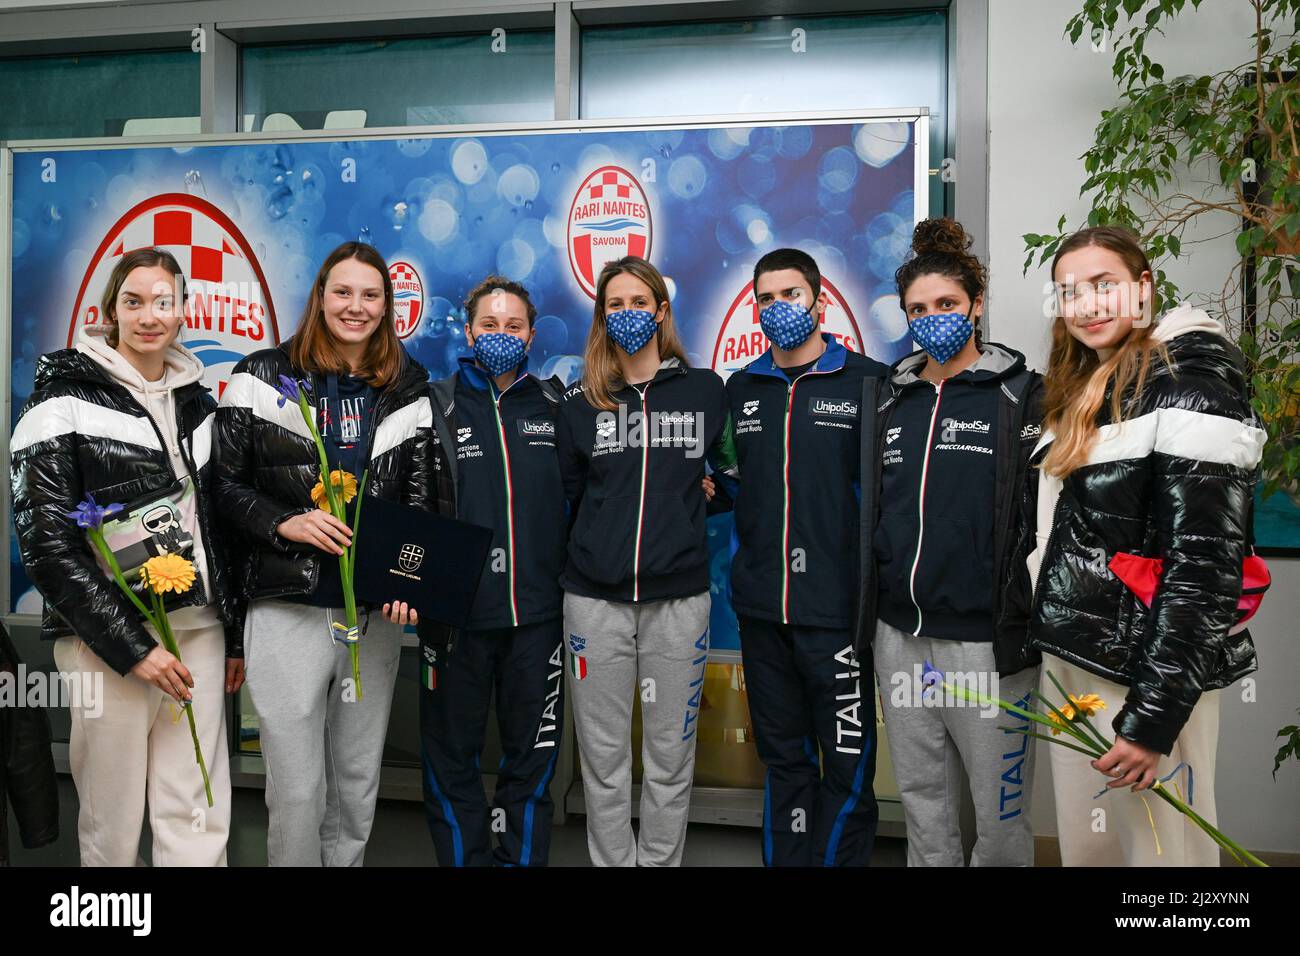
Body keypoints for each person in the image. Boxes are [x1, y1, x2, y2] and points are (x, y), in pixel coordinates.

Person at [1015, 225, 1265, 866]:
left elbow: (1206, 569)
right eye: (1069, 292)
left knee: (1164, 861)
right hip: (1084, 662)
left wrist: (1153, 720)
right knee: (1096, 849)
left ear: (1145, 287)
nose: (1087, 305)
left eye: (1105, 285)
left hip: (1144, 673)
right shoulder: (1092, 387)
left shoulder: (1192, 383)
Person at [10, 247, 242, 865]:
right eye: (133, 302)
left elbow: (220, 526)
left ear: (183, 310)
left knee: (197, 807)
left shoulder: (202, 404)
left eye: (162, 302)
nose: (148, 316)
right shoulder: (58, 403)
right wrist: (134, 649)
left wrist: (235, 636)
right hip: (106, 645)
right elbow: (47, 545)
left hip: (199, 632)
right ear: (108, 311)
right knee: (111, 824)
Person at [215, 240, 432, 866]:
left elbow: (420, 509)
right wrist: (287, 522)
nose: (355, 307)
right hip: (287, 609)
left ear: (388, 306)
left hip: (370, 619)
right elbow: (223, 490)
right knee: (298, 784)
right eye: (343, 292)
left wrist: (406, 583)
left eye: (370, 295)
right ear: (320, 296)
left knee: (358, 782)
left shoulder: (407, 388)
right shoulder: (259, 376)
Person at [859, 218, 1045, 866]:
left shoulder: (1022, 396)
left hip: (984, 643)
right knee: (923, 806)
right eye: (918, 308)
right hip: (899, 636)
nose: (931, 317)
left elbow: (1045, 516)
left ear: (976, 305)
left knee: (999, 819)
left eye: (946, 305)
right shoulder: (888, 398)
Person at [556, 255, 737, 866]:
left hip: (678, 604)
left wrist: (700, 500)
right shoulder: (580, 404)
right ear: (601, 316)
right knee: (602, 760)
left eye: (641, 303)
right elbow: (570, 497)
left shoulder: (707, 391)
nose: (628, 315)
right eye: (616, 305)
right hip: (594, 604)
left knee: (669, 757)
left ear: (661, 311)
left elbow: (736, 479)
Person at [723, 247, 888, 866]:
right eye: (765, 298)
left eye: (790, 294)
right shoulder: (742, 389)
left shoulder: (871, 383)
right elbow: (733, 482)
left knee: (847, 769)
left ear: (819, 299)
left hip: (837, 614)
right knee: (784, 762)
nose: (777, 307)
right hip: (763, 610)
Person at [418, 275, 567, 867]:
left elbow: (593, 496)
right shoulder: (434, 403)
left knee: (531, 760)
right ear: (467, 328)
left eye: (513, 325)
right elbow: (409, 503)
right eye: (489, 324)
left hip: (537, 617)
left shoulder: (559, 406)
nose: (501, 335)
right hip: (455, 619)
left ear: (531, 333)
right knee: (451, 757)